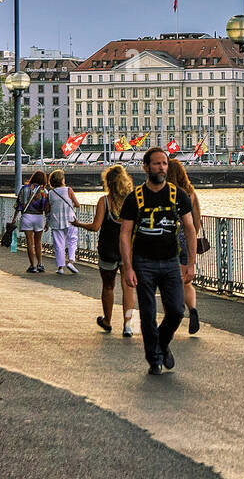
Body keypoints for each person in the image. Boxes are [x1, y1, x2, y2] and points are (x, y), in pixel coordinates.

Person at [119, 147, 196, 375]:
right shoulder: (135, 198)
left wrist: (190, 263)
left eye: (164, 164)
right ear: (146, 167)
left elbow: (190, 228)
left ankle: (162, 344)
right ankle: (154, 359)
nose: (162, 167)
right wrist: (128, 267)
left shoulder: (177, 195)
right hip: (144, 263)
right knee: (148, 313)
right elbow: (125, 233)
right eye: (157, 164)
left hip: (171, 262)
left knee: (176, 311)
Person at [73, 164, 138, 336]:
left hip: (108, 249)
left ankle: (108, 321)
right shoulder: (133, 200)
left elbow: (95, 227)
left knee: (108, 286)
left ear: (108, 182)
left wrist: (78, 224)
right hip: (128, 249)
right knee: (128, 286)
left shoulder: (104, 201)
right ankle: (128, 325)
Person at [166, 158, 205, 334]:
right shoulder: (190, 193)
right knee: (186, 281)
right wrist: (192, 238)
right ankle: (193, 310)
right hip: (185, 239)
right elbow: (196, 220)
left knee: (168, 282)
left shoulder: (166, 192)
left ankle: (171, 321)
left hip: (168, 239)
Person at [13, 171, 49, 273]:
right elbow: (46, 208)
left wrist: (14, 218)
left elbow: (18, 205)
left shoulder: (24, 188)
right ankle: (40, 264)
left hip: (27, 216)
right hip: (38, 217)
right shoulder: (44, 192)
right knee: (38, 242)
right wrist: (47, 221)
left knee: (29, 242)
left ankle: (32, 266)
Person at [47, 169, 80, 275]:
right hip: (70, 220)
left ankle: (60, 267)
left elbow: (47, 209)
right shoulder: (68, 190)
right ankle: (71, 261)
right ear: (62, 180)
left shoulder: (51, 193)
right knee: (72, 240)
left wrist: (47, 221)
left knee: (58, 244)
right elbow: (77, 204)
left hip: (56, 221)